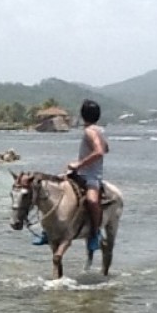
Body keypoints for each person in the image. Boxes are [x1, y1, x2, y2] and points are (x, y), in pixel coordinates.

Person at [67, 99, 109, 253]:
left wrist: (79, 164)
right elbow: (106, 148)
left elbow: (99, 151)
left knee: (92, 200)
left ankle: (95, 233)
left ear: (83, 115)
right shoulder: (98, 130)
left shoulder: (90, 131)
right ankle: (48, 231)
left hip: (91, 176)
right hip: (81, 174)